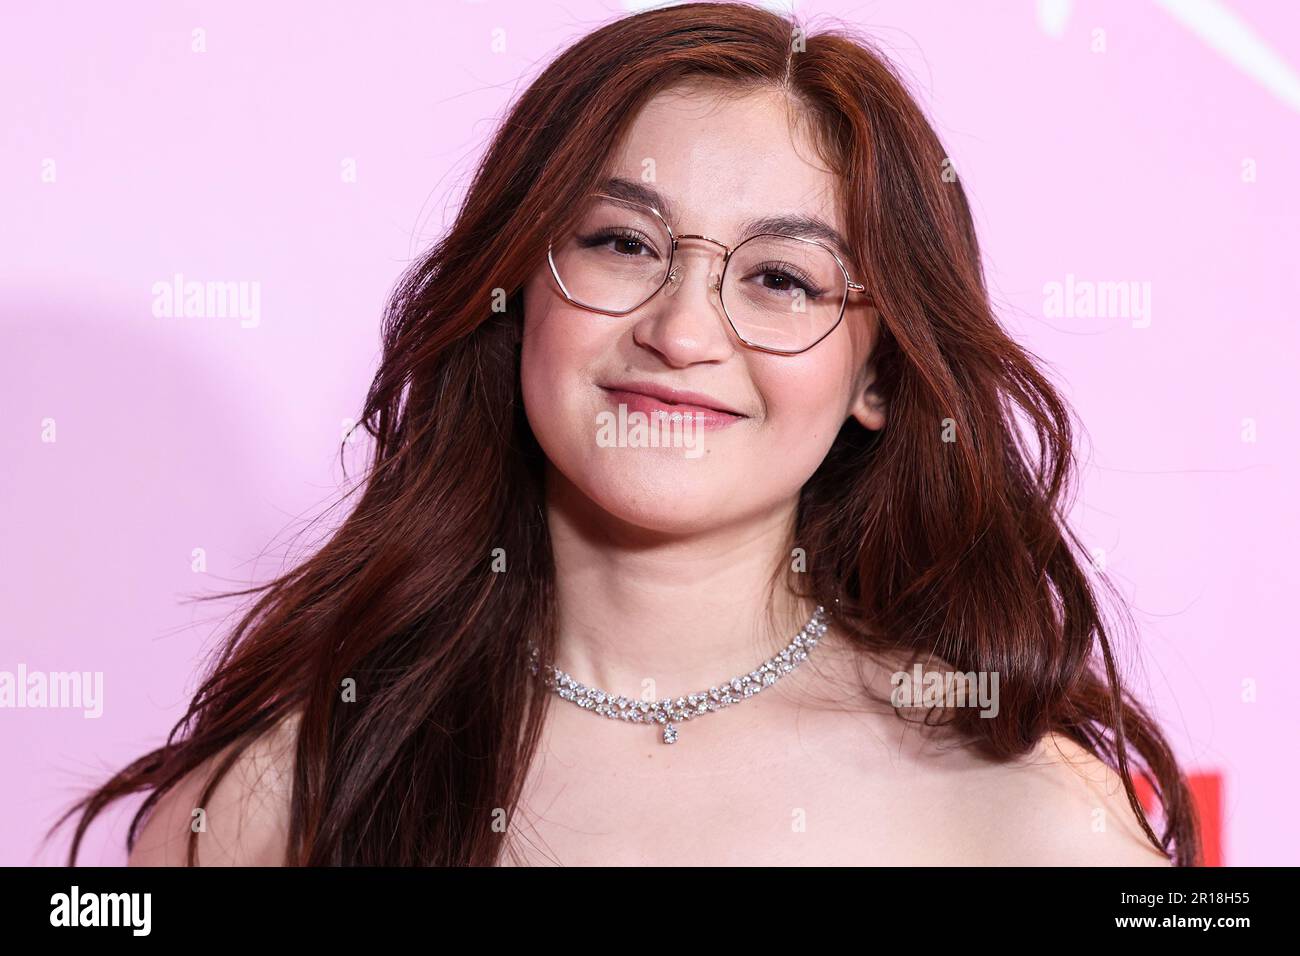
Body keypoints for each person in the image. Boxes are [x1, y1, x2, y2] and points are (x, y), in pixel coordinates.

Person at [56, 1, 1198, 866]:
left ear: (880, 377)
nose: (681, 329)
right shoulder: (279, 797)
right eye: (623, 244)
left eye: (783, 279)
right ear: (517, 291)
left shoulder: (1028, 814)